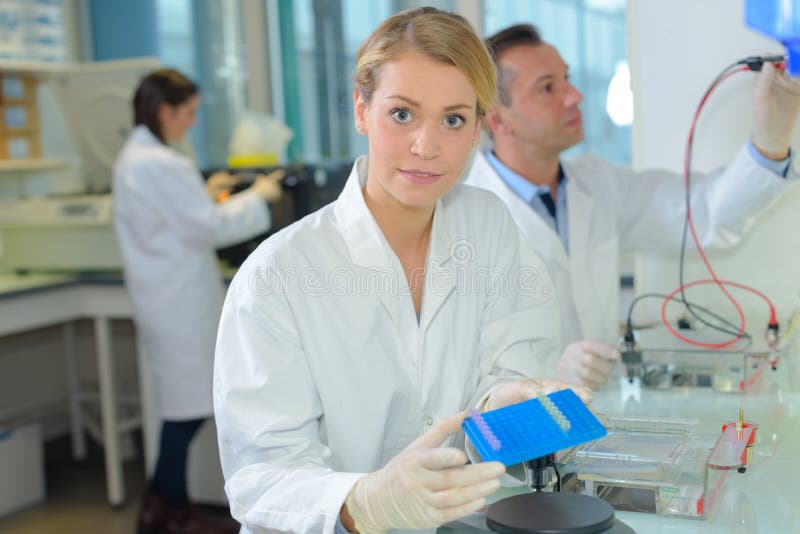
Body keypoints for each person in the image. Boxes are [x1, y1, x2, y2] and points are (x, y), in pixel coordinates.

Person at [213, 8, 588, 534]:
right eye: (402, 114)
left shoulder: (487, 224)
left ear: (480, 127)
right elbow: (261, 478)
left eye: (453, 119)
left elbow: (509, 362)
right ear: (362, 110)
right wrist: (365, 501)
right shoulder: (277, 276)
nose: (426, 146)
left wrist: (505, 398)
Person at [464, 24, 800, 388]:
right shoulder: (461, 217)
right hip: (515, 433)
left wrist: (770, 139)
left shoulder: (598, 184)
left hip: (598, 417)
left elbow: (704, 215)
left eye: (567, 79)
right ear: (496, 118)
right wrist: (539, 375)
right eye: (548, 87)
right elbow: (452, 367)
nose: (574, 95)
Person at [113, 68, 284, 534]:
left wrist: (203, 195)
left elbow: (177, 217)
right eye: (187, 113)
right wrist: (258, 195)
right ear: (164, 111)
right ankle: (168, 508)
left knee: (184, 406)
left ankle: (164, 502)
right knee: (186, 410)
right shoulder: (158, 163)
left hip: (167, 295)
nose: (190, 123)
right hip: (177, 301)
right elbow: (207, 228)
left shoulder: (141, 157)